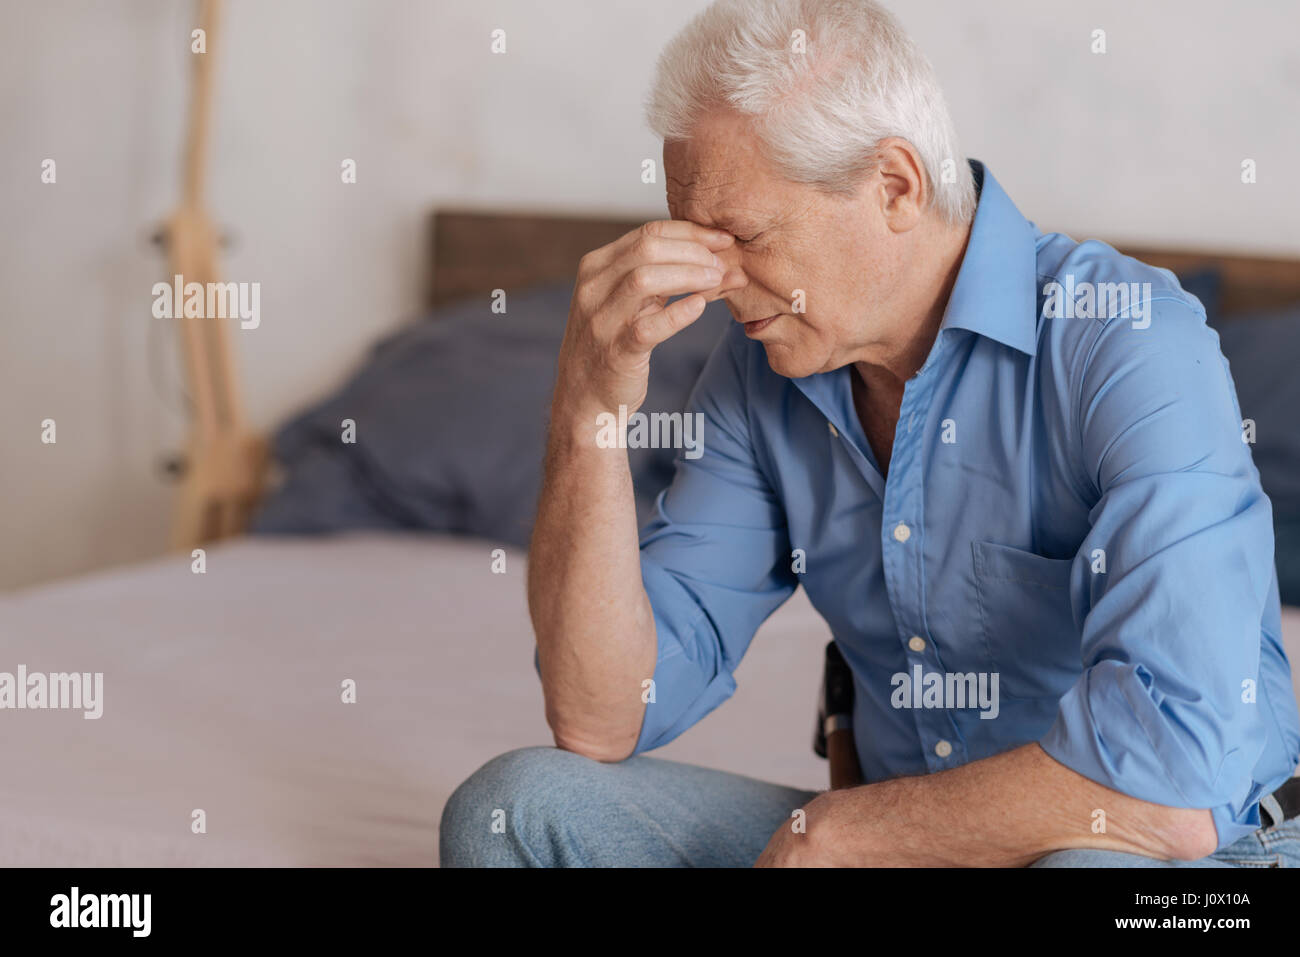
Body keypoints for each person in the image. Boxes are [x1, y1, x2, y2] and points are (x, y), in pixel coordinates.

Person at [441, 0, 1300, 867]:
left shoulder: (1123, 337)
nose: (716, 286)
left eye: (741, 237)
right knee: (515, 809)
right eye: (696, 241)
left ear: (893, 186)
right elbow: (602, 713)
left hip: (1185, 860)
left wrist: (851, 831)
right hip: (902, 849)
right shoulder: (758, 372)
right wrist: (587, 407)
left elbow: (1175, 789)